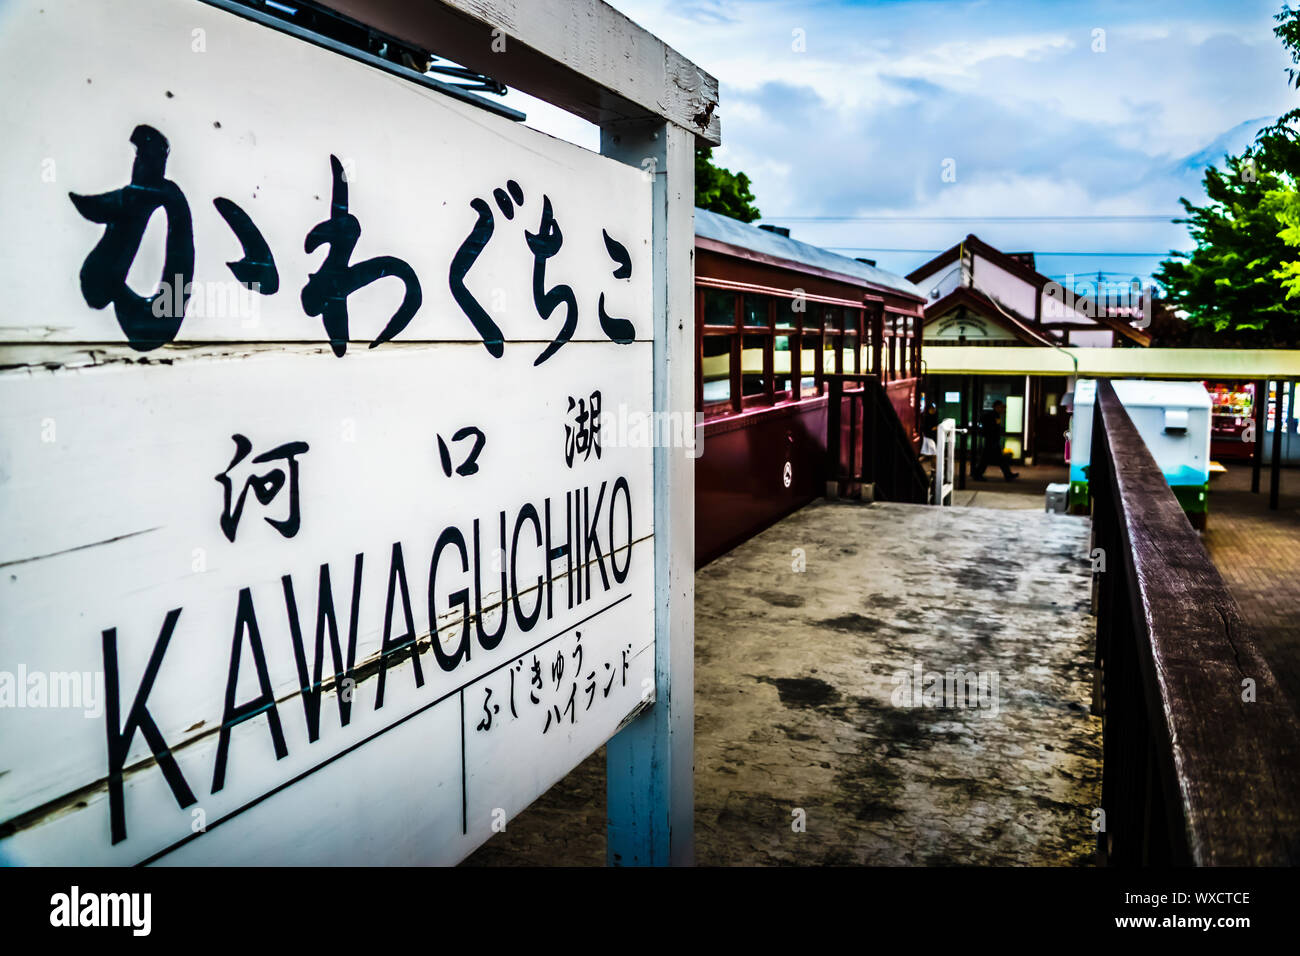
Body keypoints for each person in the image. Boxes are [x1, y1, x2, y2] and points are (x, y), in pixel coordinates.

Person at [973, 400, 1019, 481]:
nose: (1003, 410)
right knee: (987, 459)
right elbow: (992, 429)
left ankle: (1007, 475)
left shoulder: (995, 415)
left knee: (992, 459)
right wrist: (993, 437)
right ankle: (978, 474)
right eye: (1001, 407)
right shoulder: (993, 416)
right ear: (997, 407)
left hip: (992, 440)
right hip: (992, 441)